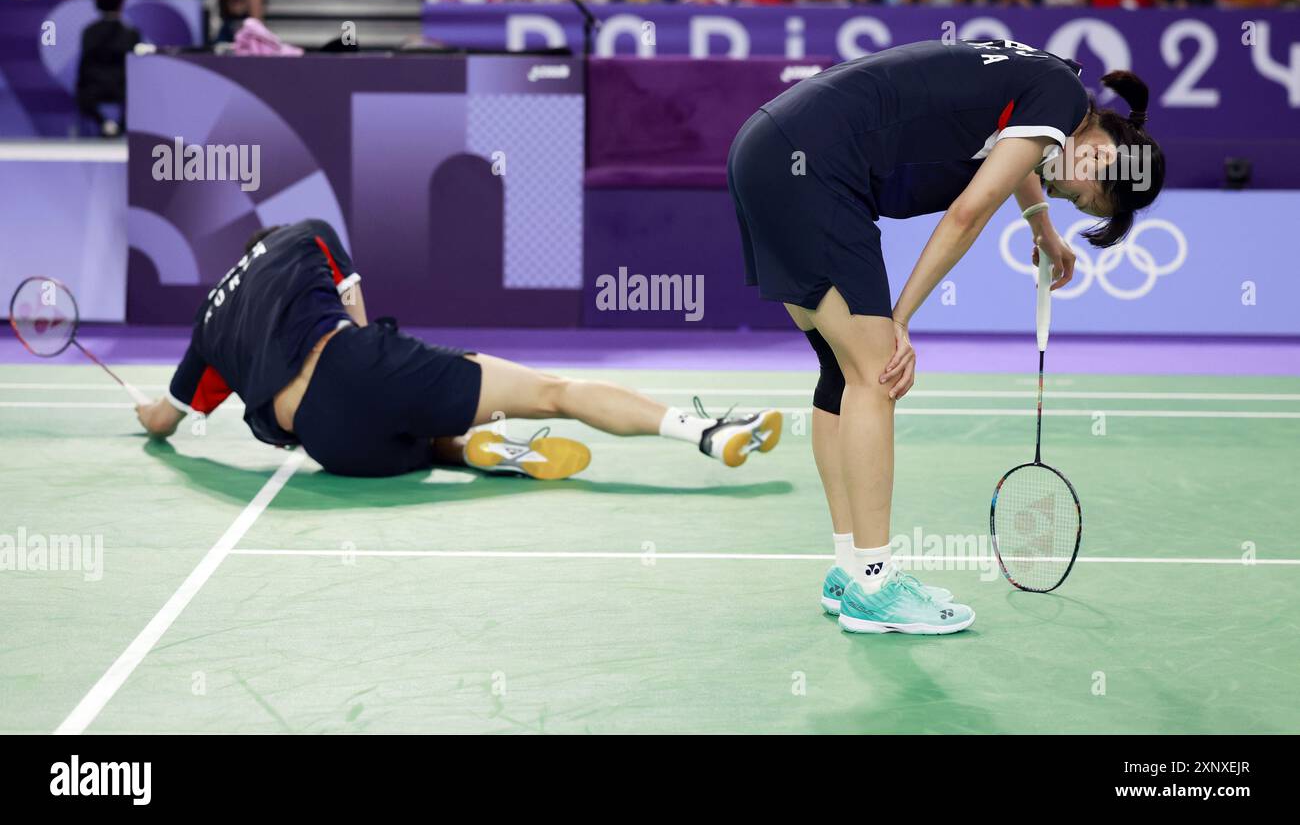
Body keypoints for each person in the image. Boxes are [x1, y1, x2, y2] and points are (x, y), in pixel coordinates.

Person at [726, 39, 1165, 634]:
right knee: (879, 374)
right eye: (1077, 193)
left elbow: (1016, 153)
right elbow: (967, 212)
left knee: (842, 370)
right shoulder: (1060, 101)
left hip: (770, 146)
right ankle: (877, 587)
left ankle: (852, 569)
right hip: (817, 164)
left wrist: (1042, 226)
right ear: (1100, 155)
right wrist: (899, 321)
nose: (1061, 191)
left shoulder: (1057, 85)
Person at [134, 220, 782, 480]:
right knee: (550, 392)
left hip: (326, 443)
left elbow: (167, 421)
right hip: (354, 363)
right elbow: (354, 309)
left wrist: (143, 413)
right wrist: (383, 358)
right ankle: (705, 431)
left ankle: (470, 448)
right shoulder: (304, 233)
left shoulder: (209, 320)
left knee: (418, 439)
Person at [76, 0, 141, 136]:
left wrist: (82, 85)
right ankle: (117, 126)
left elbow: (84, 63)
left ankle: (105, 124)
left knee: (82, 97)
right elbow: (137, 67)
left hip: (94, 87)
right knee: (138, 96)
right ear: (121, 5)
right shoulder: (131, 33)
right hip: (121, 87)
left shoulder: (89, 32)